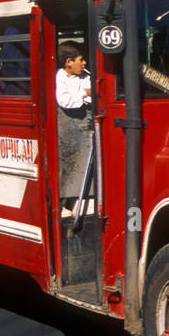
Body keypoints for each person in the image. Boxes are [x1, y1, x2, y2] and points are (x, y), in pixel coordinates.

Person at [56, 42, 93, 210]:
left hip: (85, 123)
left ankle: (84, 198)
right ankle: (65, 202)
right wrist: (85, 93)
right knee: (69, 163)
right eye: (81, 60)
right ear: (68, 62)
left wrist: (83, 96)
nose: (84, 63)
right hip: (67, 127)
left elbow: (94, 96)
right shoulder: (60, 77)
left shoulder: (86, 75)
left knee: (86, 161)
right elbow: (65, 101)